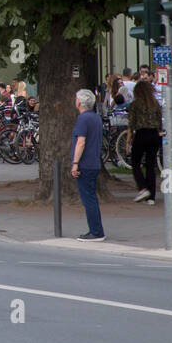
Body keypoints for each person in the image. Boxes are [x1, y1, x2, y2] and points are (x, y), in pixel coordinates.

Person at [71, 88, 105, 240]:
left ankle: (96, 231)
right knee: (91, 197)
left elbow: (81, 141)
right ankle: (96, 229)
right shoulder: (95, 117)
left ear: (79, 102)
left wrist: (75, 163)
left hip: (85, 163)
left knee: (88, 199)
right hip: (94, 162)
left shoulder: (83, 119)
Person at [127, 76, 162, 205]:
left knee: (135, 162)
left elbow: (131, 123)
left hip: (141, 134)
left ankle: (142, 188)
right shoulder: (155, 104)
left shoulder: (135, 104)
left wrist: (128, 141)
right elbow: (159, 120)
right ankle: (151, 197)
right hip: (154, 134)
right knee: (150, 165)